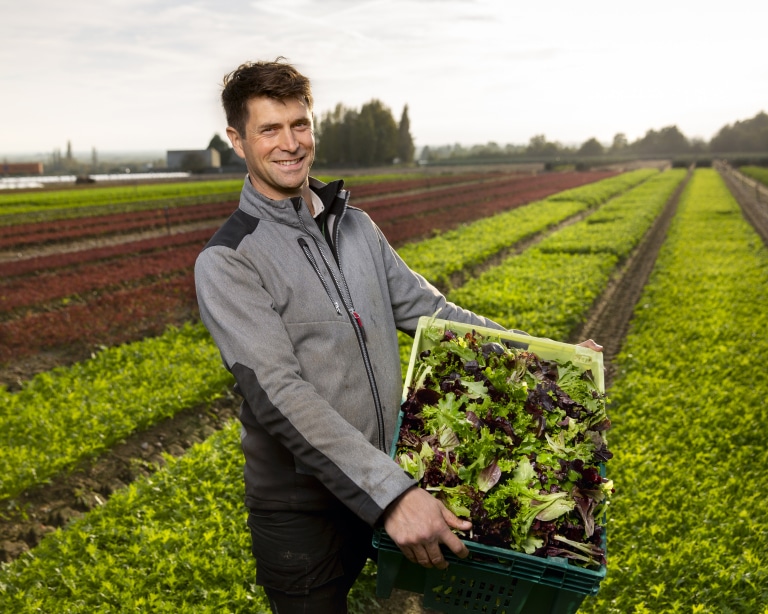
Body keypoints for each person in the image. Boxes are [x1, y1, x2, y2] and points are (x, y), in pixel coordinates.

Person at [194, 58, 602, 613]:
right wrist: (392, 495)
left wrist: (553, 357)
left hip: (389, 476)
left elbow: (435, 314)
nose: (291, 143)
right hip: (305, 511)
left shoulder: (355, 226)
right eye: (270, 129)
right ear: (237, 141)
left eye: (300, 124)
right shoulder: (229, 261)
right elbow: (281, 395)